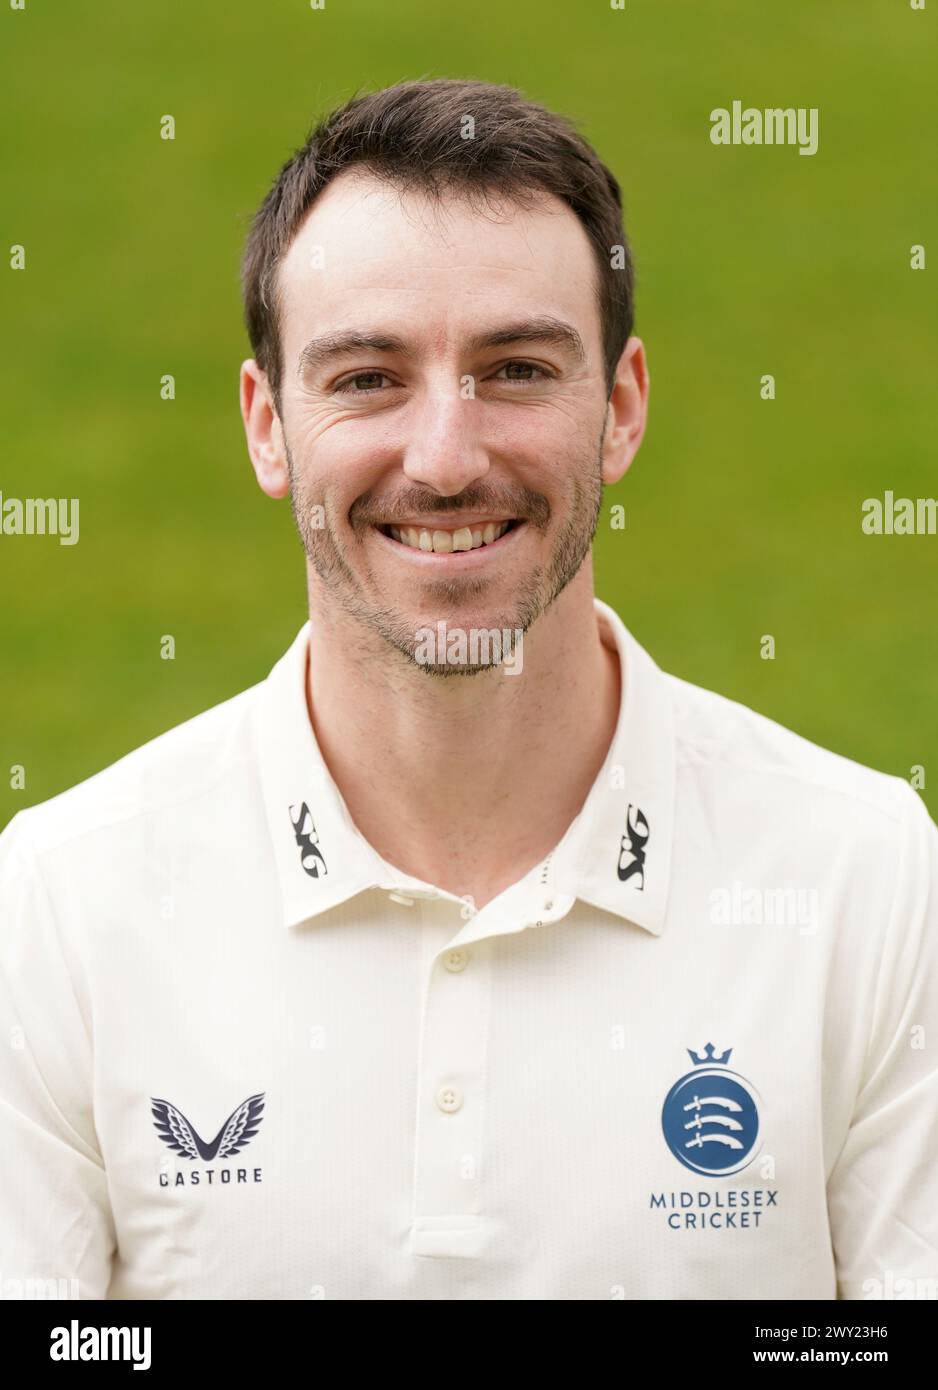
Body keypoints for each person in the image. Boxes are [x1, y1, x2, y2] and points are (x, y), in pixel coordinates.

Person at [1, 78, 935, 1302]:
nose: (444, 458)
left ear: (619, 408)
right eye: (365, 379)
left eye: (514, 369)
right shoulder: (61, 906)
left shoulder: (867, 878)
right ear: (266, 426)